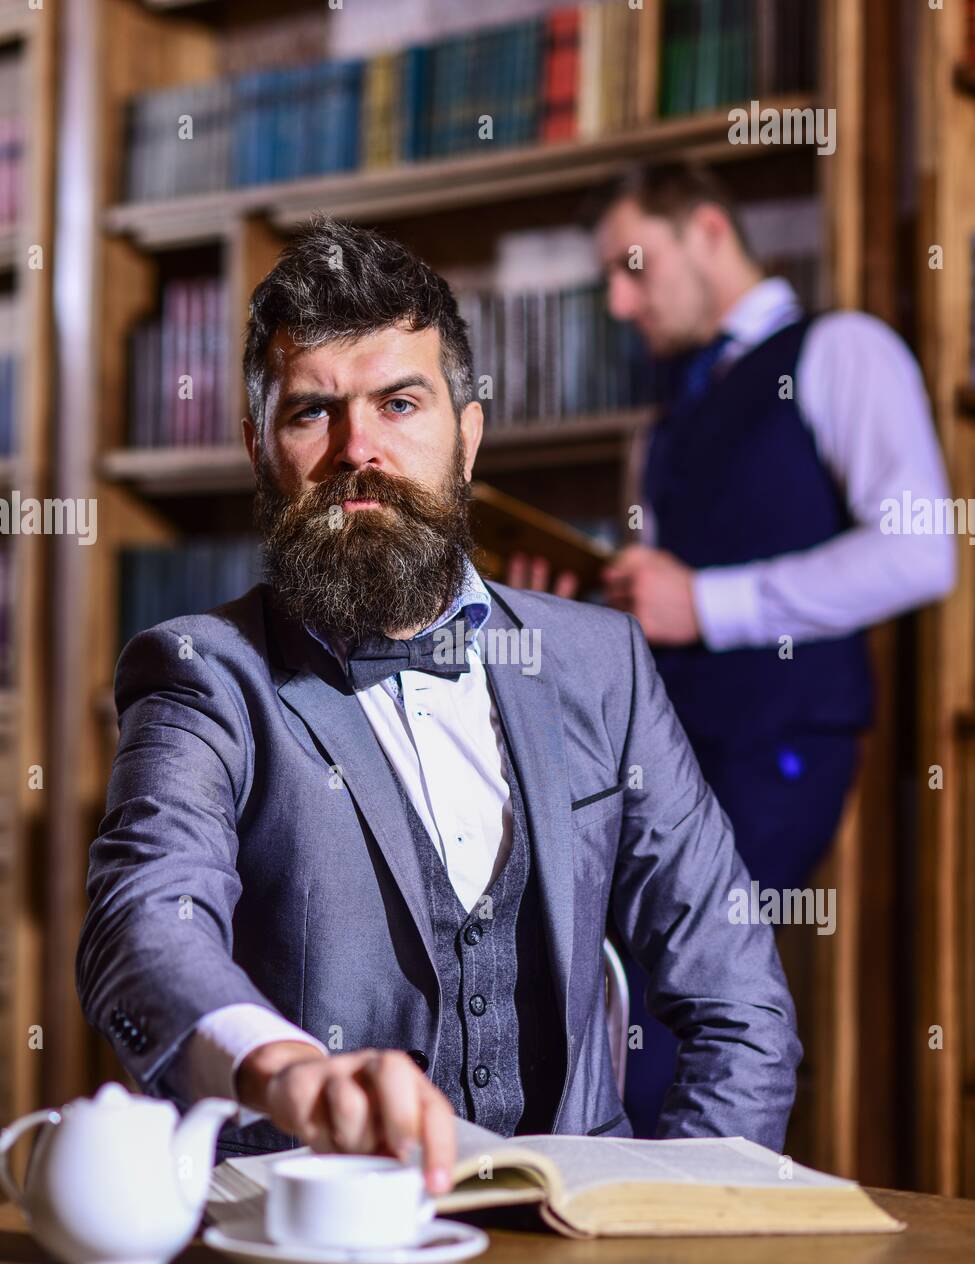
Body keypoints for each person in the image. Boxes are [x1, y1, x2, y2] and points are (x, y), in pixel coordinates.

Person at [77, 216, 802, 1192]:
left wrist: (681, 1226)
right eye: (310, 414)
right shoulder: (202, 673)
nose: (357, 449)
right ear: (260, 450)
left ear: (468, 436)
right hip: (314, 1247)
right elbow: (143, 922)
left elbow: (738, 999)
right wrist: (287, 1070)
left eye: (400, 402)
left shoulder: (602, 661)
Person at [578, 162, 955, 1135]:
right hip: (660, 752)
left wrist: (704, 602)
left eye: (633, 266)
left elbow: (921, 551)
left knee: (670, 1011)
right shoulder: (667, 415)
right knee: (605, 990)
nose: (621, 302)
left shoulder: (846, 348)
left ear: (708, 229)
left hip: (776, 747)